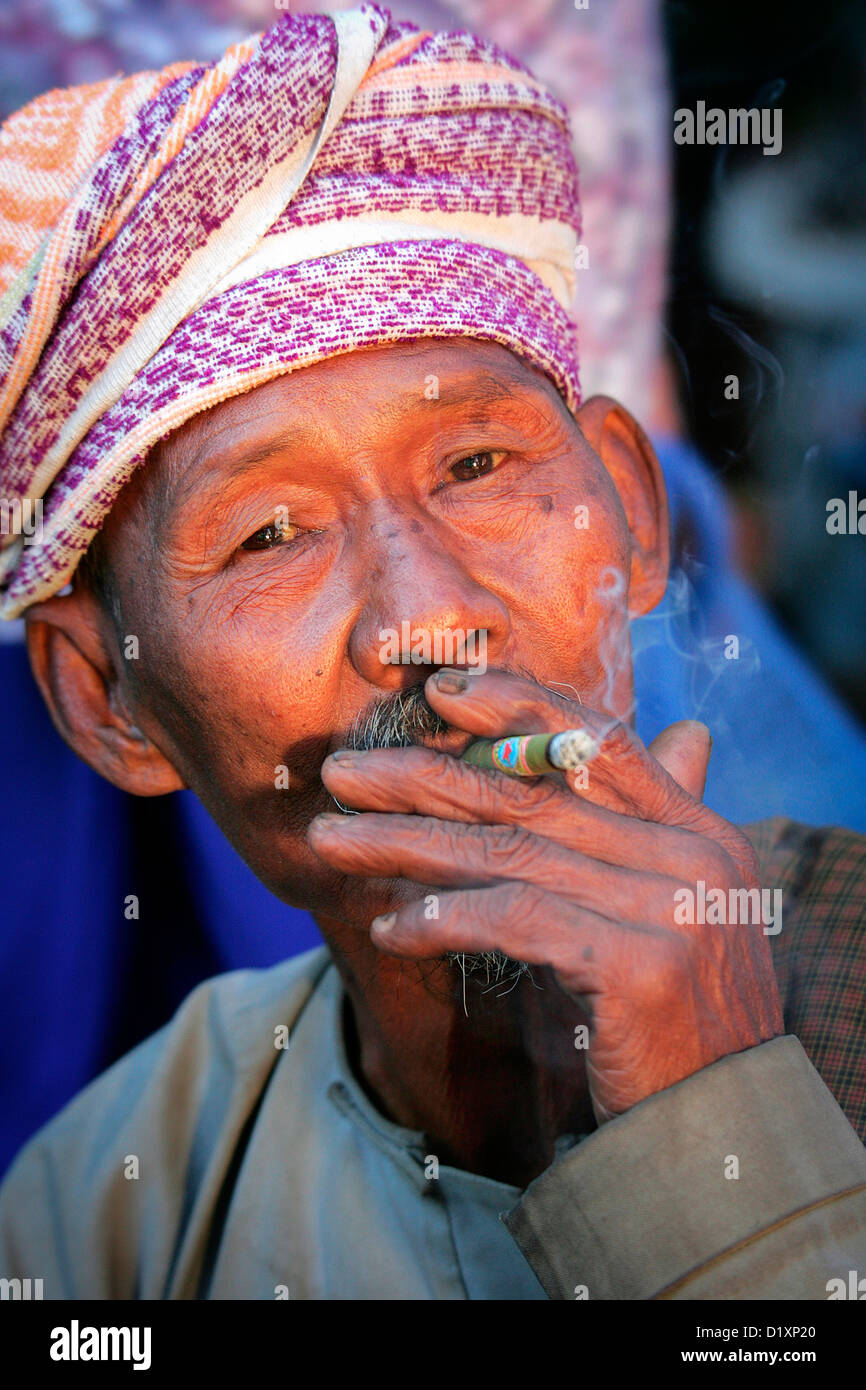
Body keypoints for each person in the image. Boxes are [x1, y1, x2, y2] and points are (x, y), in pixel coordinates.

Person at [0, 5, 864, 1300]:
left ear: (630, 510)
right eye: (269, 534)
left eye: (475, 464)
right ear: (107, 698)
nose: (424, 616)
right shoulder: (108, 1201)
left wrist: (714, 1130)